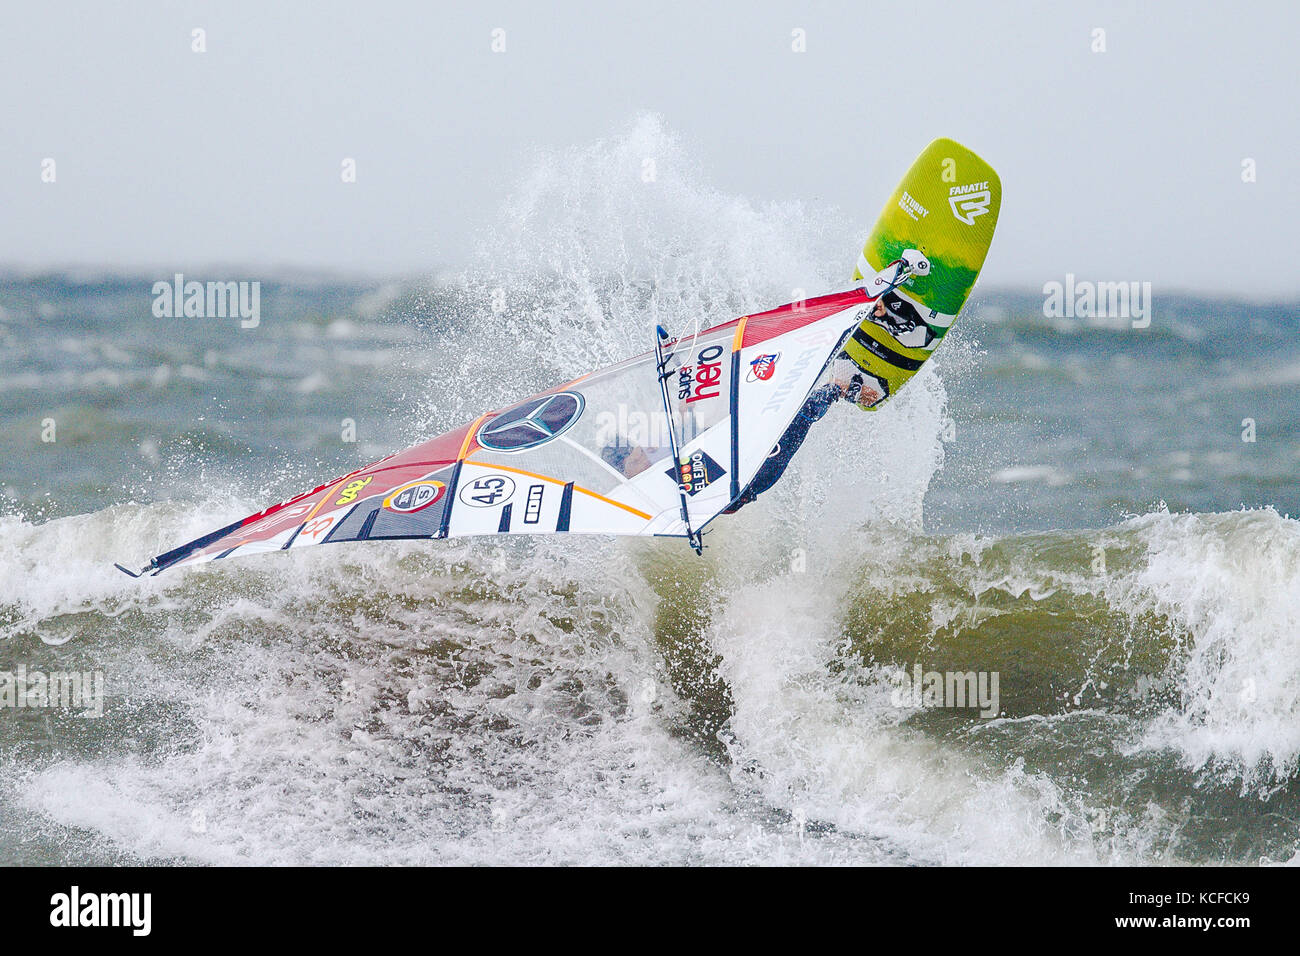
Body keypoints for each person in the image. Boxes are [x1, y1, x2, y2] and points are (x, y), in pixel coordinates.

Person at [725, 298, 893, 513]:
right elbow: (803, 415)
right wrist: (835, 390)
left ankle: (854, 313)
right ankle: (844, 382)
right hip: (742, 475)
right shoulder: (758, 475)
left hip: (737, 413)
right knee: (802, 410)